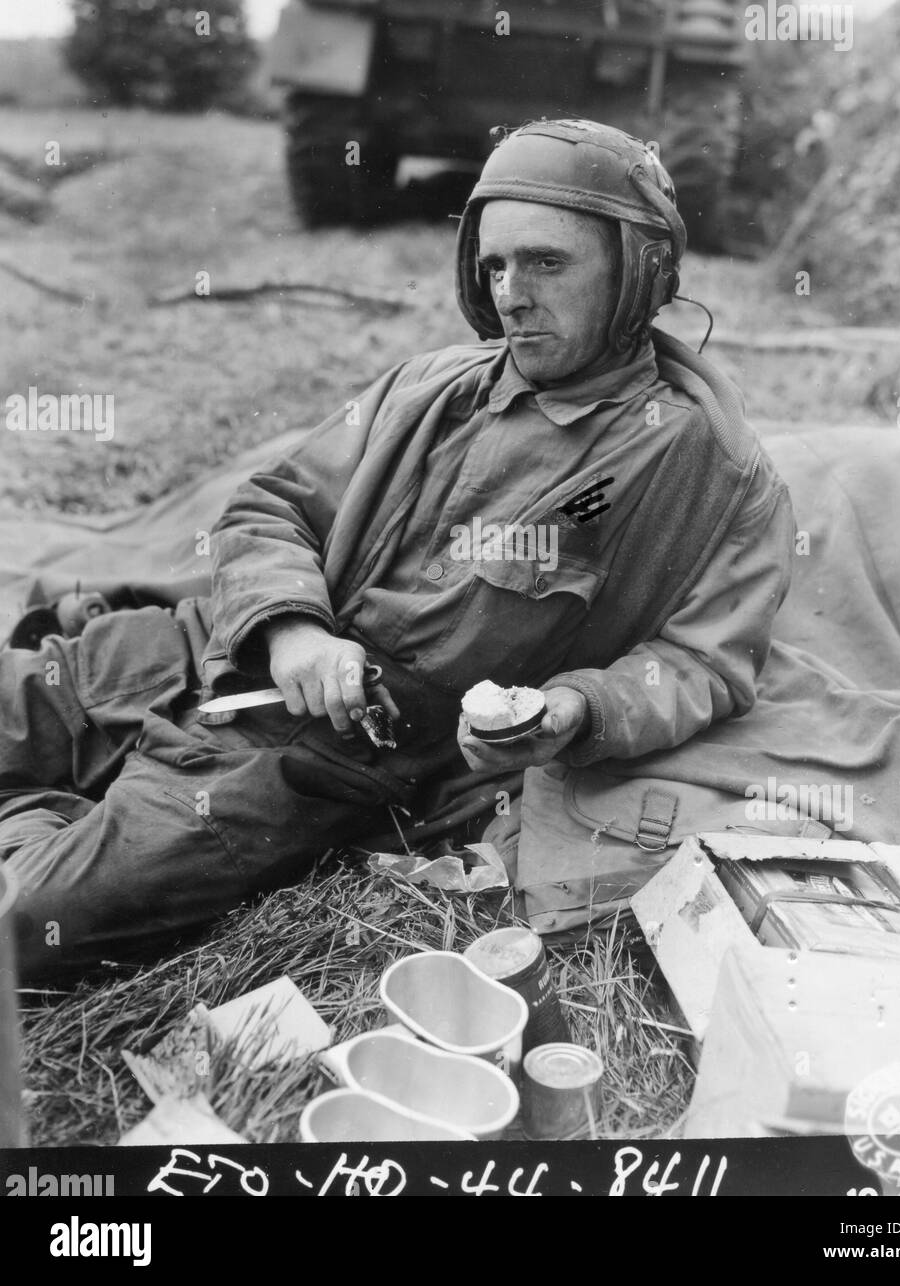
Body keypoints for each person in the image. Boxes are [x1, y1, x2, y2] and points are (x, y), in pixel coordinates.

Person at [0, 119, 794, 981]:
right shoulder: (429, 386)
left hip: (316, 759)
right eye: (494, 265)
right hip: (210, 646)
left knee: (29, 923)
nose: (510, 295)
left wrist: (575, 709)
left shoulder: (715, 474)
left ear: (641, 271)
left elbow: (704, 665)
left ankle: (47, 817)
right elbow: (272, 507)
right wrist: (293, 629)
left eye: (546, 262)